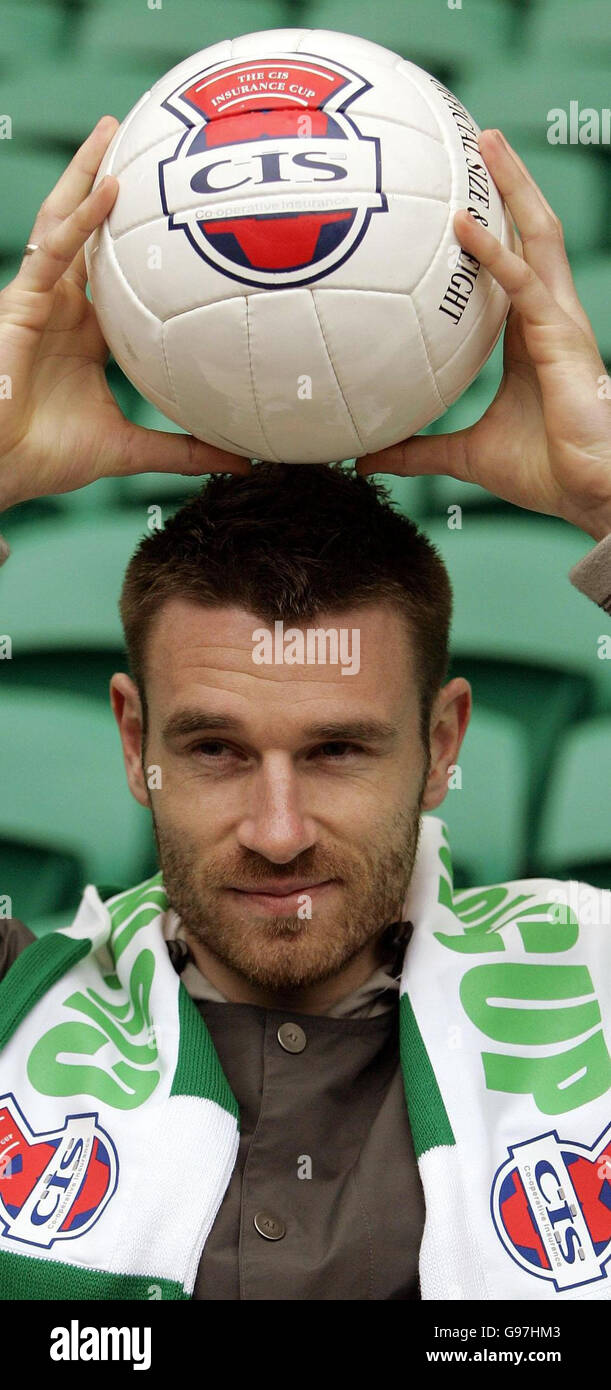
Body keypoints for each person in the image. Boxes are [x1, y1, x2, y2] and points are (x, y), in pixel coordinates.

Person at [0, 119, 609, 1302]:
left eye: (337, 750)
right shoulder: (20, 1000)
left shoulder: (594, 985)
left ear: (442, 745)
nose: (277, 831)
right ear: (133, 740)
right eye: (216, 749)